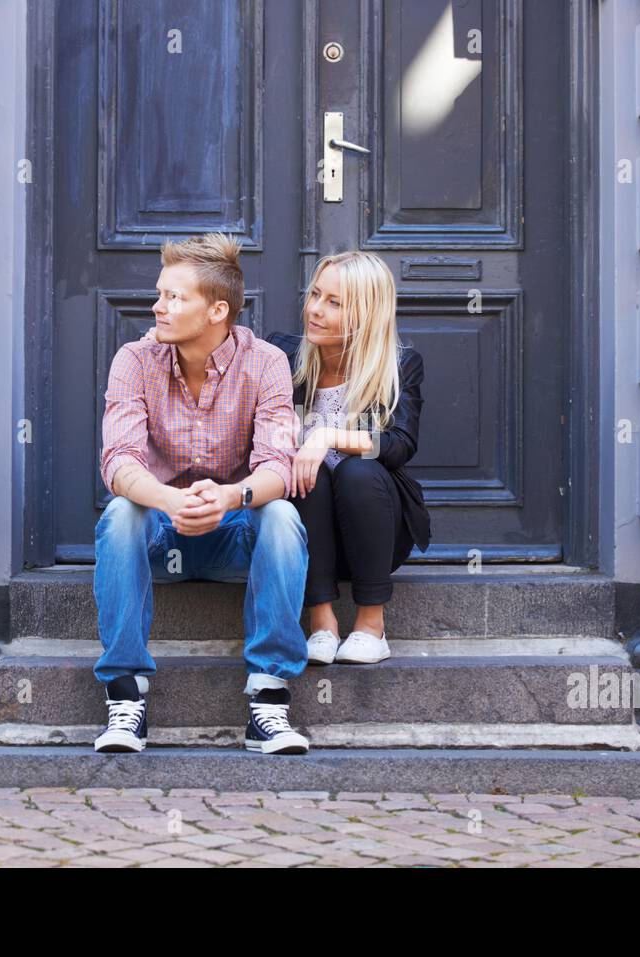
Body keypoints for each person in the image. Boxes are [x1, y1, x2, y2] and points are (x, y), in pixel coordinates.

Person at [93, 233, 311, 755]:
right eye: (159, 293)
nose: (157, 307)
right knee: (122, 513)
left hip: (233, 535)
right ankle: (125, 697)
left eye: (174, 297)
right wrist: (171, 501)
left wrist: (231, 497)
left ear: (217, 310)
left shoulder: (267, 363)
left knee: (281, 514)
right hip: (161, 534)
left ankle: (269, 700)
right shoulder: (134, 359)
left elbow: (279, 468)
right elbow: (118, 462)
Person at [267, 251, 430, 665]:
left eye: (334, 303)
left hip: (374, 530)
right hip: (306, 530)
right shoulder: (281, 355)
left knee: (358, 471)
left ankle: (371, 626)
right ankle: (322, 623)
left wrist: (327, 435)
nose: (315, 310)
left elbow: (398, 444)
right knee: (307, 470)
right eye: (315, 294)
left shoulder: (398, 365)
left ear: (366, 313)